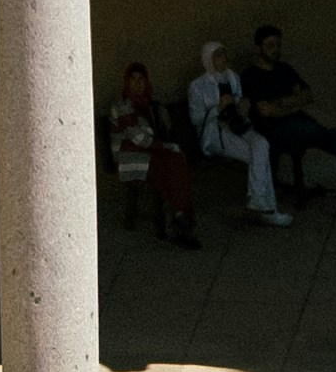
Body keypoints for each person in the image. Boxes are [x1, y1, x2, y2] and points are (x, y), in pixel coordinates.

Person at [237, 25, 336, 224]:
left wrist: (281, 103)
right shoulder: (251, 75)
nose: (276, 49)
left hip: (303, 124)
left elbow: (308, 95)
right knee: (317, 131)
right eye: (270, 45)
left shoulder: (285, 69)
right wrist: (291, 102)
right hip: (276, 131)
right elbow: (266, 111)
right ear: (258, 48)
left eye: (278, 44)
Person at [182, 43, 285, 226]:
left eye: (224, 54)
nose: (223, 59)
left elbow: (240, 107)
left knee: (261, 144)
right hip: (216, 134)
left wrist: (241, 106)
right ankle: (268, 209)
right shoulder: (198, 86)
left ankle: (259, 201)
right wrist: (217, 108)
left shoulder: (233, 78)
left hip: (238, 126)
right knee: (259, 155)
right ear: (209, 60)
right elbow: (196, 119)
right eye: (217, 56)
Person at [110, 61, 197, 250]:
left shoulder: (153, 106)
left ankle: (180, 216)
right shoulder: (122, 107)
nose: (137, 84)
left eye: (141, 79)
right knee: (165, 165)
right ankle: (172, 222)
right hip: (129, 158)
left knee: (178, 161)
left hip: (153, 153)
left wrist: (167, 141)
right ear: (126, 83)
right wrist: (166, 146)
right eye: (132, 80)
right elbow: (140, 139)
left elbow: (164, 132)